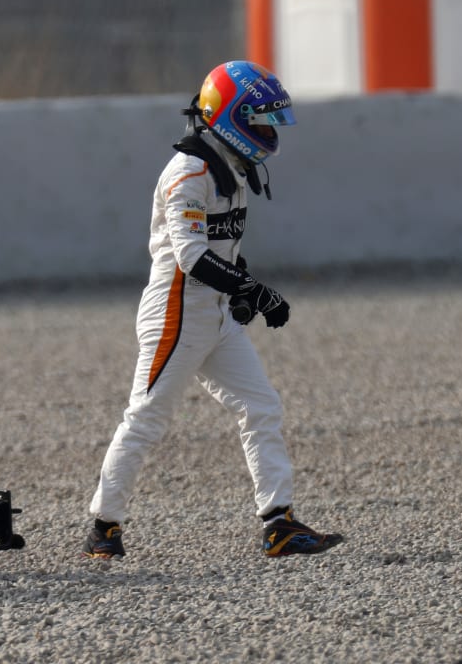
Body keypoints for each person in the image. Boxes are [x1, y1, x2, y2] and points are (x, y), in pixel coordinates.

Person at [84, 60, 342, 560]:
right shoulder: (189, 171)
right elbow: (190, 256)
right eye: (260, 121)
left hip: (212, 308)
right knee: (146, 418)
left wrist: (241, 289)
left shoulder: (230, 165)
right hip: (177, 310)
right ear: (230, 118)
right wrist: (255, 289)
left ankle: (279, 523)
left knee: (261, 404)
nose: (268, 131)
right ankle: (103, 527)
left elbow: (221, 247)